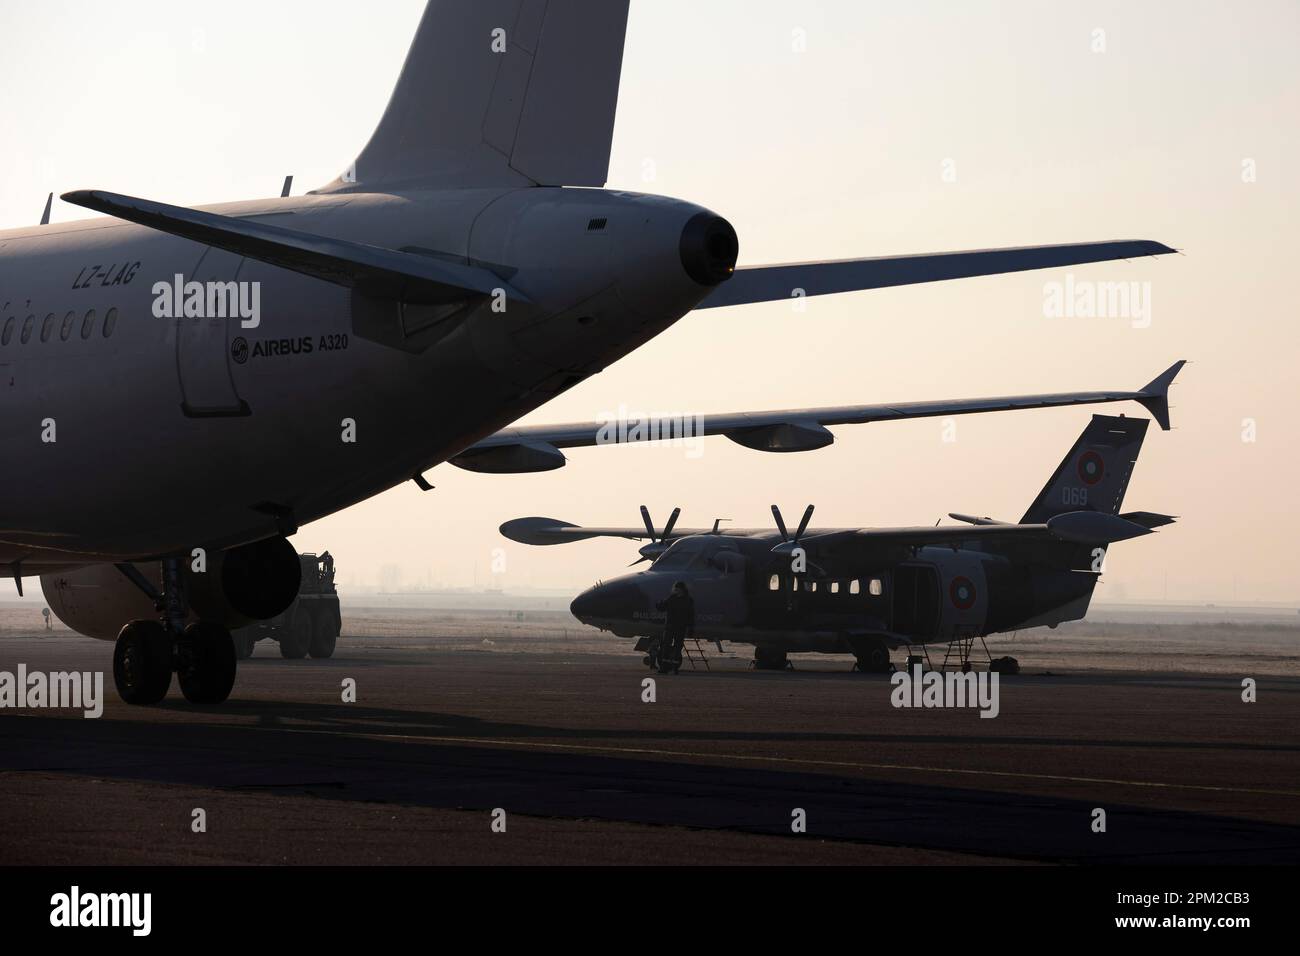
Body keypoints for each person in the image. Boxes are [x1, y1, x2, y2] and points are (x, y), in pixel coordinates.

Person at [654, 581, 695, 674]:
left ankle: (674, 668)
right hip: (671, 627)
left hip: (679, 627)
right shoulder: (672, 598)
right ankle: (664, 667)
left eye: (677, 588)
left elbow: (690, 615)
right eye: (675, 588)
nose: (675, 590)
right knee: (666, 646)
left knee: (677, 647)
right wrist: (659, 604)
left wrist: (691, 627)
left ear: (682, 589)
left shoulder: (687, 600)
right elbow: (662, 607)